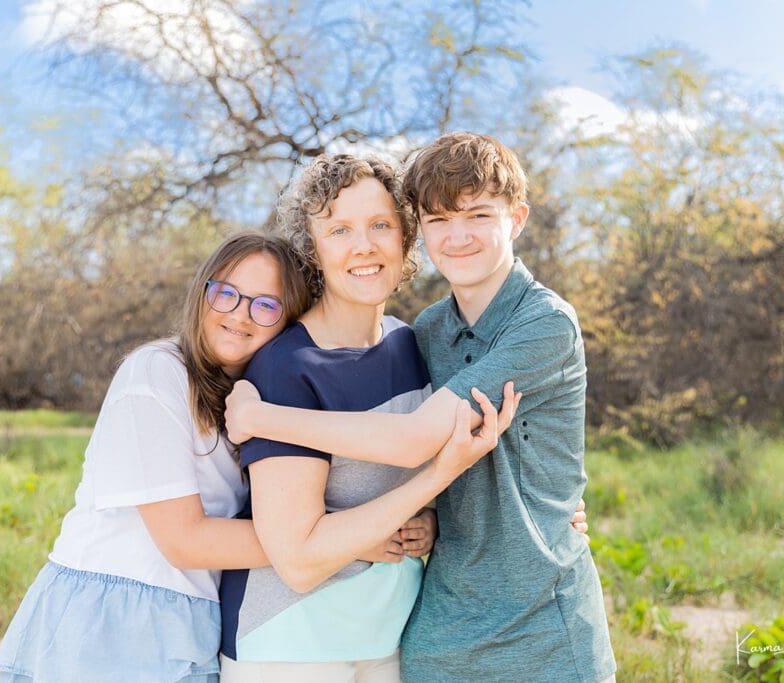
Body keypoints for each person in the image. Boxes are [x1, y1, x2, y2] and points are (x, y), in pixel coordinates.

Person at [227, 134, 615, 682]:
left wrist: (261, 419)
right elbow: (408, 462)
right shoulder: (428, 332)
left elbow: (415, 440)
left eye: (478, 215)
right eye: (438, 219)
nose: (458, 237)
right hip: (436, 630)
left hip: (541, 623)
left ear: (518, 218)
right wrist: (434, 515)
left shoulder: (541, 323)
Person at [0, 231, 460, 683]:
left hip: (195, 610)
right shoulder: (155, 374)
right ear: (202, 294)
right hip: (117, 609)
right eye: (226, 294)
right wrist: (350, 541)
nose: (241, 314)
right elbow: (184, 540)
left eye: (266, 304)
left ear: (289, 318)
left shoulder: (252, 395)